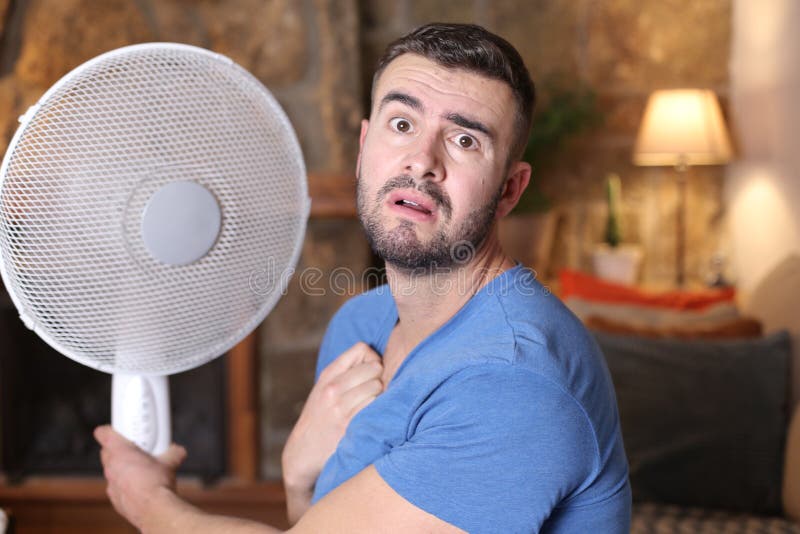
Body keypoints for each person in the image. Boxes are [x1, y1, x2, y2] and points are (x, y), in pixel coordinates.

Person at [95, 22, 631, 533]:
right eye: (402, 124)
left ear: (510, 190)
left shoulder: (513, 382)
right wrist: (300, 475)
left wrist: (148, 503)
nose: (421, 161)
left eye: (465, 141)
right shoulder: (361, 324)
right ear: (363, 148)